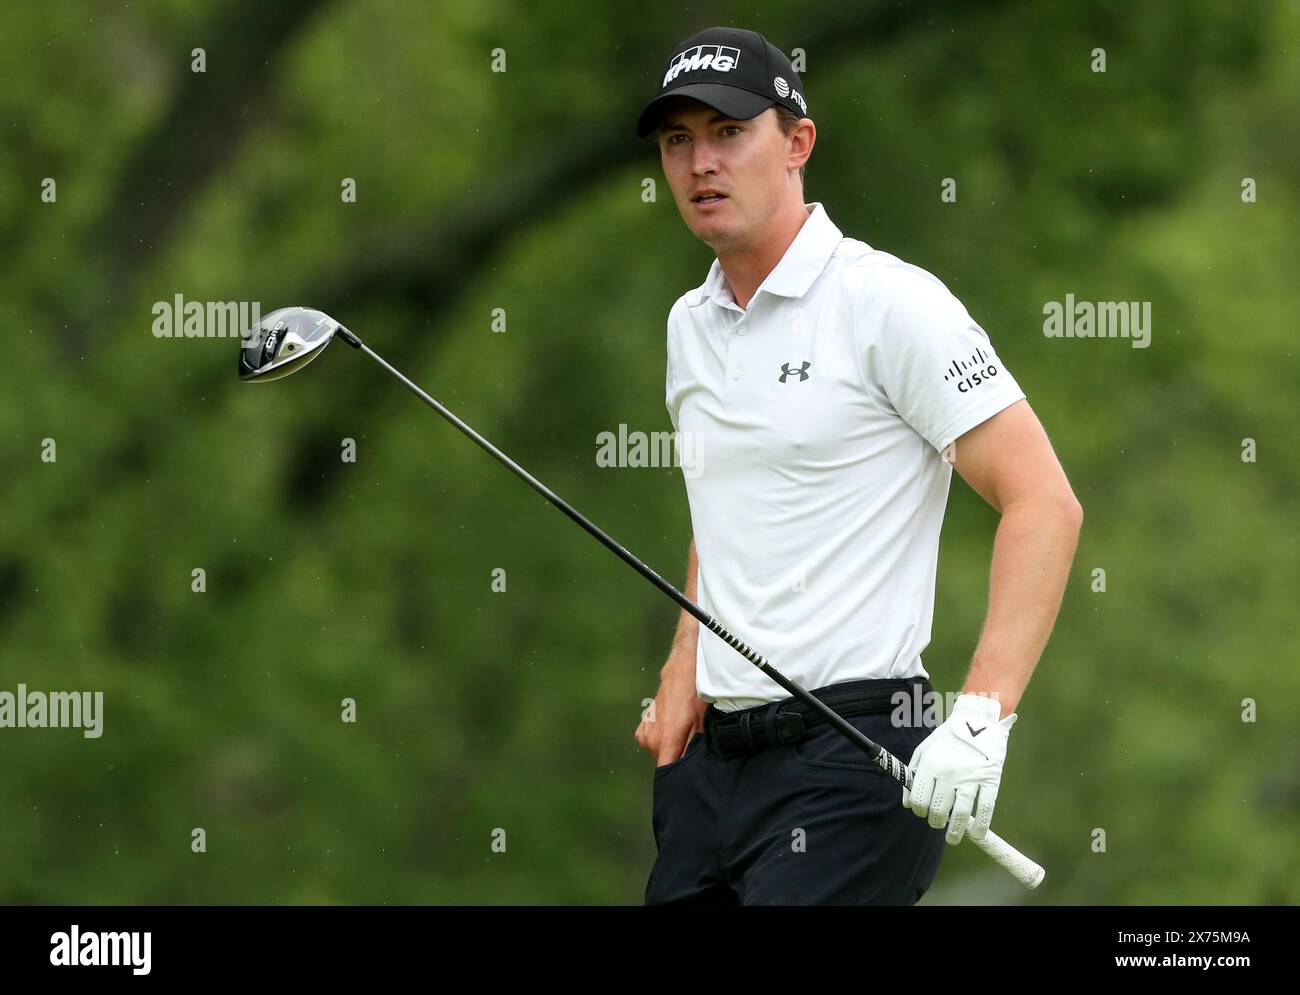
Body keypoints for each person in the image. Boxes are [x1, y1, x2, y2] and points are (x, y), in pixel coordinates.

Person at [632, 27, 1084, 905]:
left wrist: (982, 717)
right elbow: (727, 507)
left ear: (797, 144)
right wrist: (684, 660)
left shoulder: (888, 304)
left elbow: (1044, 503)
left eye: (728, 133)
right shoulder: (690, 323)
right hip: (708, 774)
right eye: (677, 140)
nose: (699, 164)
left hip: (853, 758)